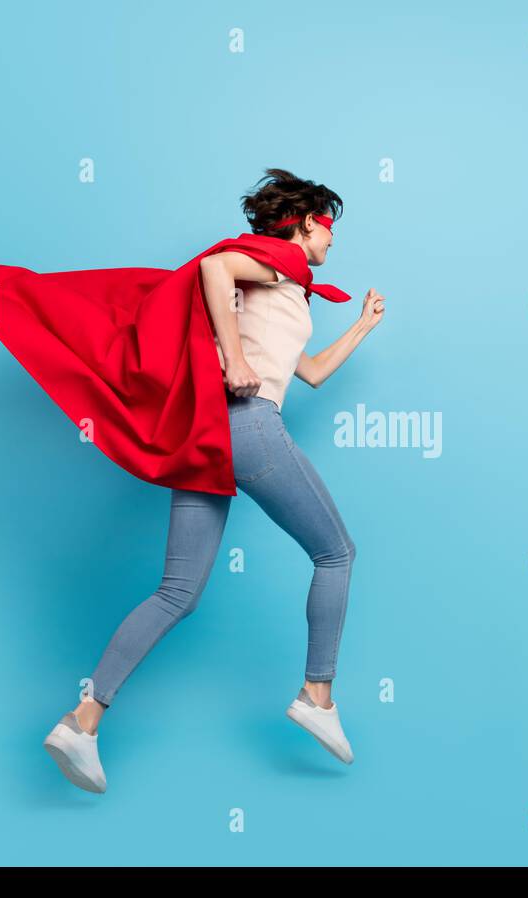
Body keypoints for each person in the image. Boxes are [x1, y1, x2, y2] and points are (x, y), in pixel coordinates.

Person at [43, 169, 386, 792]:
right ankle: (317, 696)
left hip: (208, 439)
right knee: (337, 552)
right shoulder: (277, 259)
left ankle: (81, 723)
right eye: (328, 229)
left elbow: (307, 372)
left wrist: (361, 327)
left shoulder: (286, 284)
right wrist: (234, 358)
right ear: (306, 224)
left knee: (177, 593)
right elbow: (215, 268)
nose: (332, 243)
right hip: (249, 427)